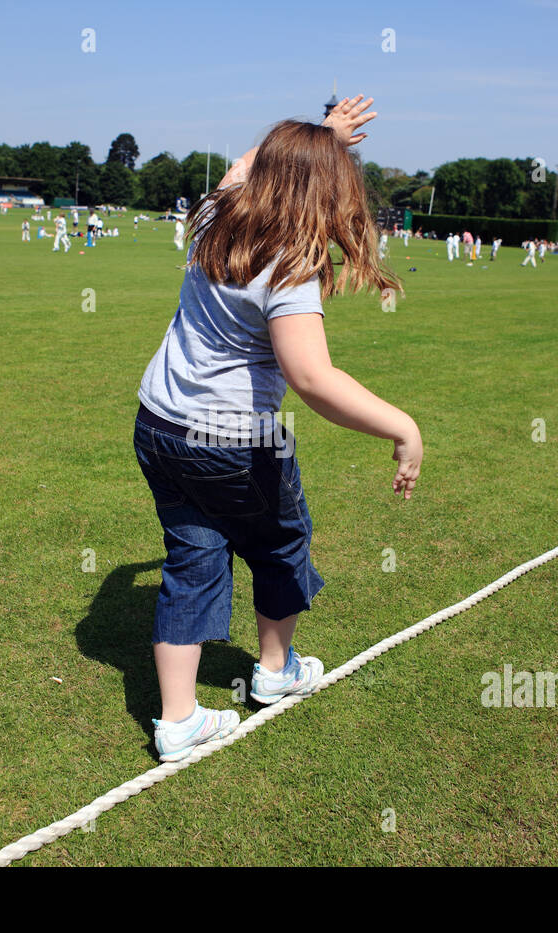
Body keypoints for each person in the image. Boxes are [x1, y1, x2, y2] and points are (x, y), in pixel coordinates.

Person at [134, 95, 420, 763]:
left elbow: (241, 168)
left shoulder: (215, 215)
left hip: (158, 424)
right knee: (281, 542)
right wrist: (403, 426)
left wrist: (318, 137)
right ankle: (275, 669)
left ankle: (179, 721)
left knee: (191, 558)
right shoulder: (291, 262)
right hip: (231, 440)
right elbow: (313, 380)